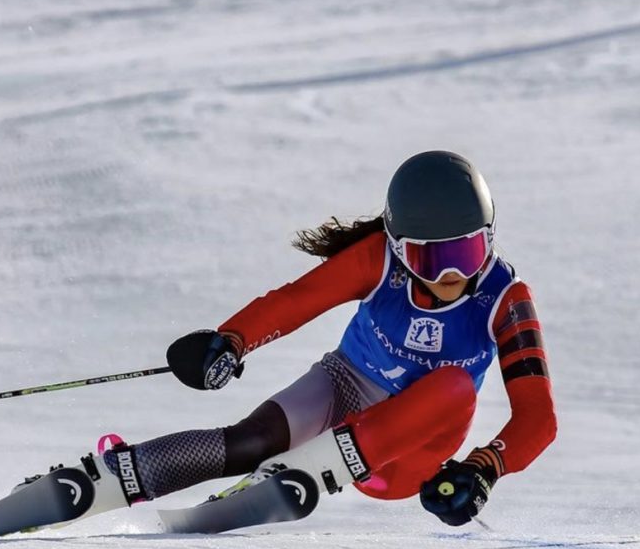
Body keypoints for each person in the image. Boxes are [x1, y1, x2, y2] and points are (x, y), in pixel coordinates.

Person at [41, 151, 556, 529]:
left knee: (455, 386)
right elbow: (298, 300)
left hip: (405, 453)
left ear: (489, 238)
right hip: (345, 385)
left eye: (467, 254)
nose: (451, 276)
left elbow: (538, 417)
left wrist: (483, 468)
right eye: (429, 259)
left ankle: (311, 468)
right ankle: (113, 475)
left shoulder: (505, 299)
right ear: (400, 249)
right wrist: (231, 341)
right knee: (252, 439)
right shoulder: (377, 259)